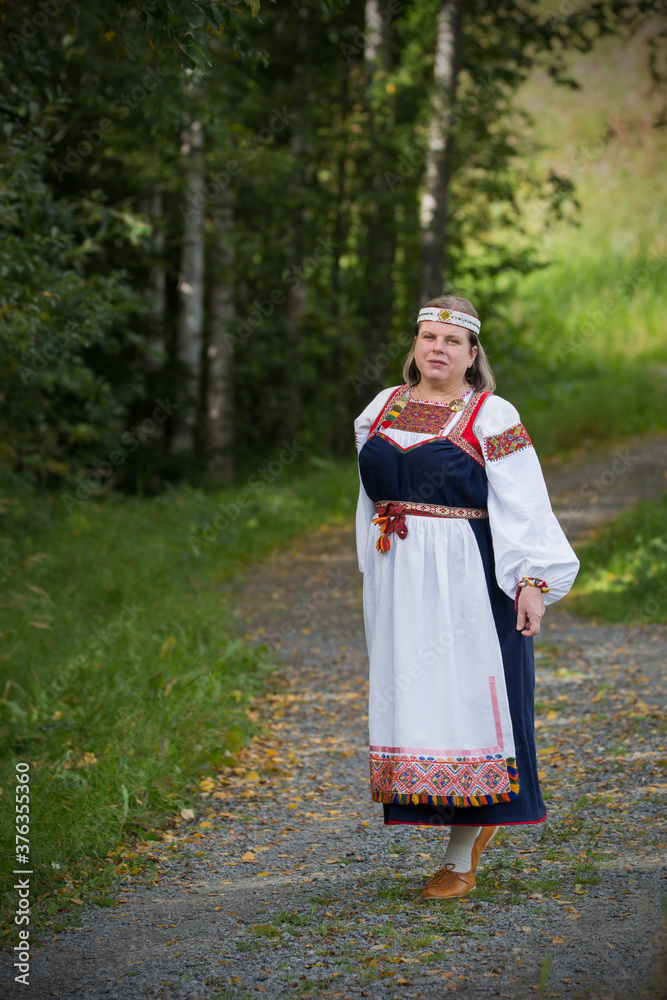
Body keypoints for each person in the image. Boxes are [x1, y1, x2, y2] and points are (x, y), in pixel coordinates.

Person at [354, 295, 579, 900]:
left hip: (472, 582)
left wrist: (532, 581)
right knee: (423, 701)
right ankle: (456, 831)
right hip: (401, 579)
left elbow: (525, 505)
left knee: (473, 703)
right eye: (428, 337)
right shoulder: (381, 408)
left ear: (472, 353)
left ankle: (461, 852)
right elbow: (368, 501)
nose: (437, 348)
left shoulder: (492, 414)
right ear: (415, 346)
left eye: (452, 341)